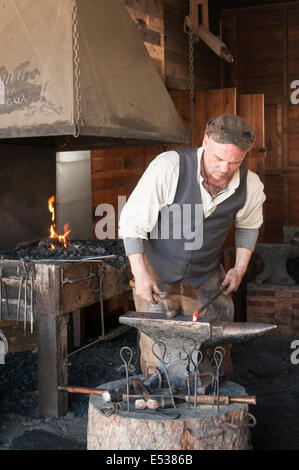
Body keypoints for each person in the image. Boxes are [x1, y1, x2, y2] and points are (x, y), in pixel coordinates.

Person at [119, 114, 266, 377]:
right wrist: (140, 274)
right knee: (158, 353)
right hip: (159, 272)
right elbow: (132, 223)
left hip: (207, 274)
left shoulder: (250, 184)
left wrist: (240, 268)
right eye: (218, 159)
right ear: (206, 141)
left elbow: (248, 225)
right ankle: (158, 401)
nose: (224, 168)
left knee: (214, 350)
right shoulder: (169, 168)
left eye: (234, 162)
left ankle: (214, 399)